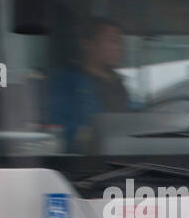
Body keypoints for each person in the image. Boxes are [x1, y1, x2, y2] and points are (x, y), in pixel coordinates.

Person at [48, 17, 132, 150]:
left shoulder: (120, 84)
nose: (120, 48)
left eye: (121, 42)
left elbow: (134, 121)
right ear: (87, 44)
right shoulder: (66, 82)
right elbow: (55, 127)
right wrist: (91, 136)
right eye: (113, 40)